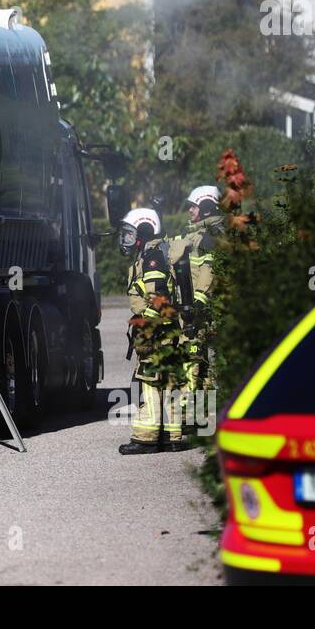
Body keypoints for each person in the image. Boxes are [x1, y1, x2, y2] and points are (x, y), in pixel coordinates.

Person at [117, 208, 186, 454]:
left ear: (143, 231)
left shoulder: (152, 257)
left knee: (149, 382)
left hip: (158, 332)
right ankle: (171, 437)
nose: (125, 240)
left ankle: (145, 439)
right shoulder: (153, 253)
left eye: (129, 234)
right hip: (166, 332)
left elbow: (158, 298)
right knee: (167, 382)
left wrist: (146, 329)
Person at [168, 185, 224, 434]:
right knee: (199, 364)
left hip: (205, 314)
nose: (189, 210)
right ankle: (203, 420)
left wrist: (197, 304)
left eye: (194, 206)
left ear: (206, 208)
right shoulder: (200, 235)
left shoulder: (211, 236)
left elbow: (208, 273)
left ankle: (202, 421)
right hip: (198, 311)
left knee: (200, 364)